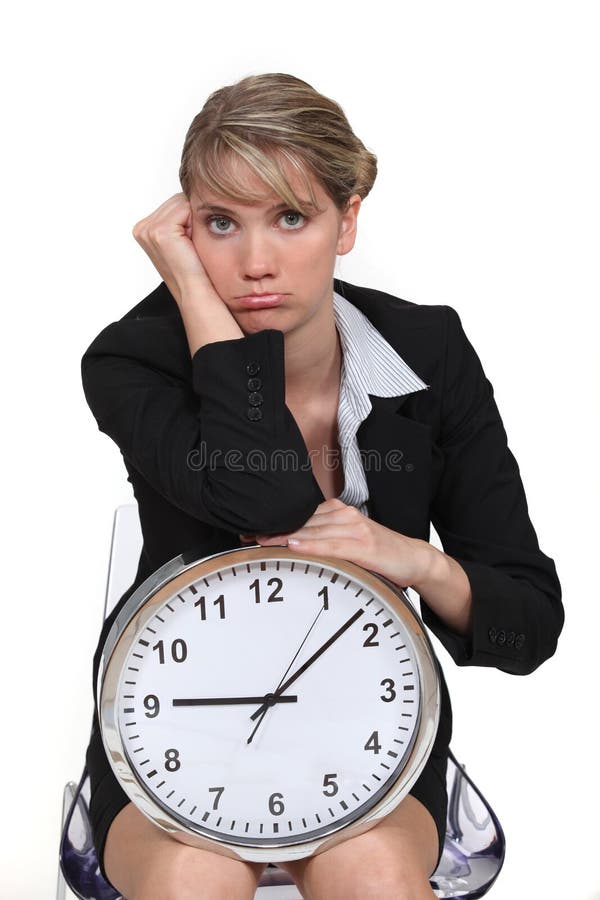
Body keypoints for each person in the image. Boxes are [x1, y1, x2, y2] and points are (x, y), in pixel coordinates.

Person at [81, 72, 563, 900]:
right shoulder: (133, 360)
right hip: (178, 715)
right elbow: (266, 503)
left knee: (372, 875)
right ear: (183, 228)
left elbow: (530, 622)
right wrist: (195, 295)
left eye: (292, 218)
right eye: (221, 224)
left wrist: (407, 557)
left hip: (371, 721)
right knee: (194, 880)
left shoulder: (428, 351)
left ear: (349, 219)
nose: (255, 262)